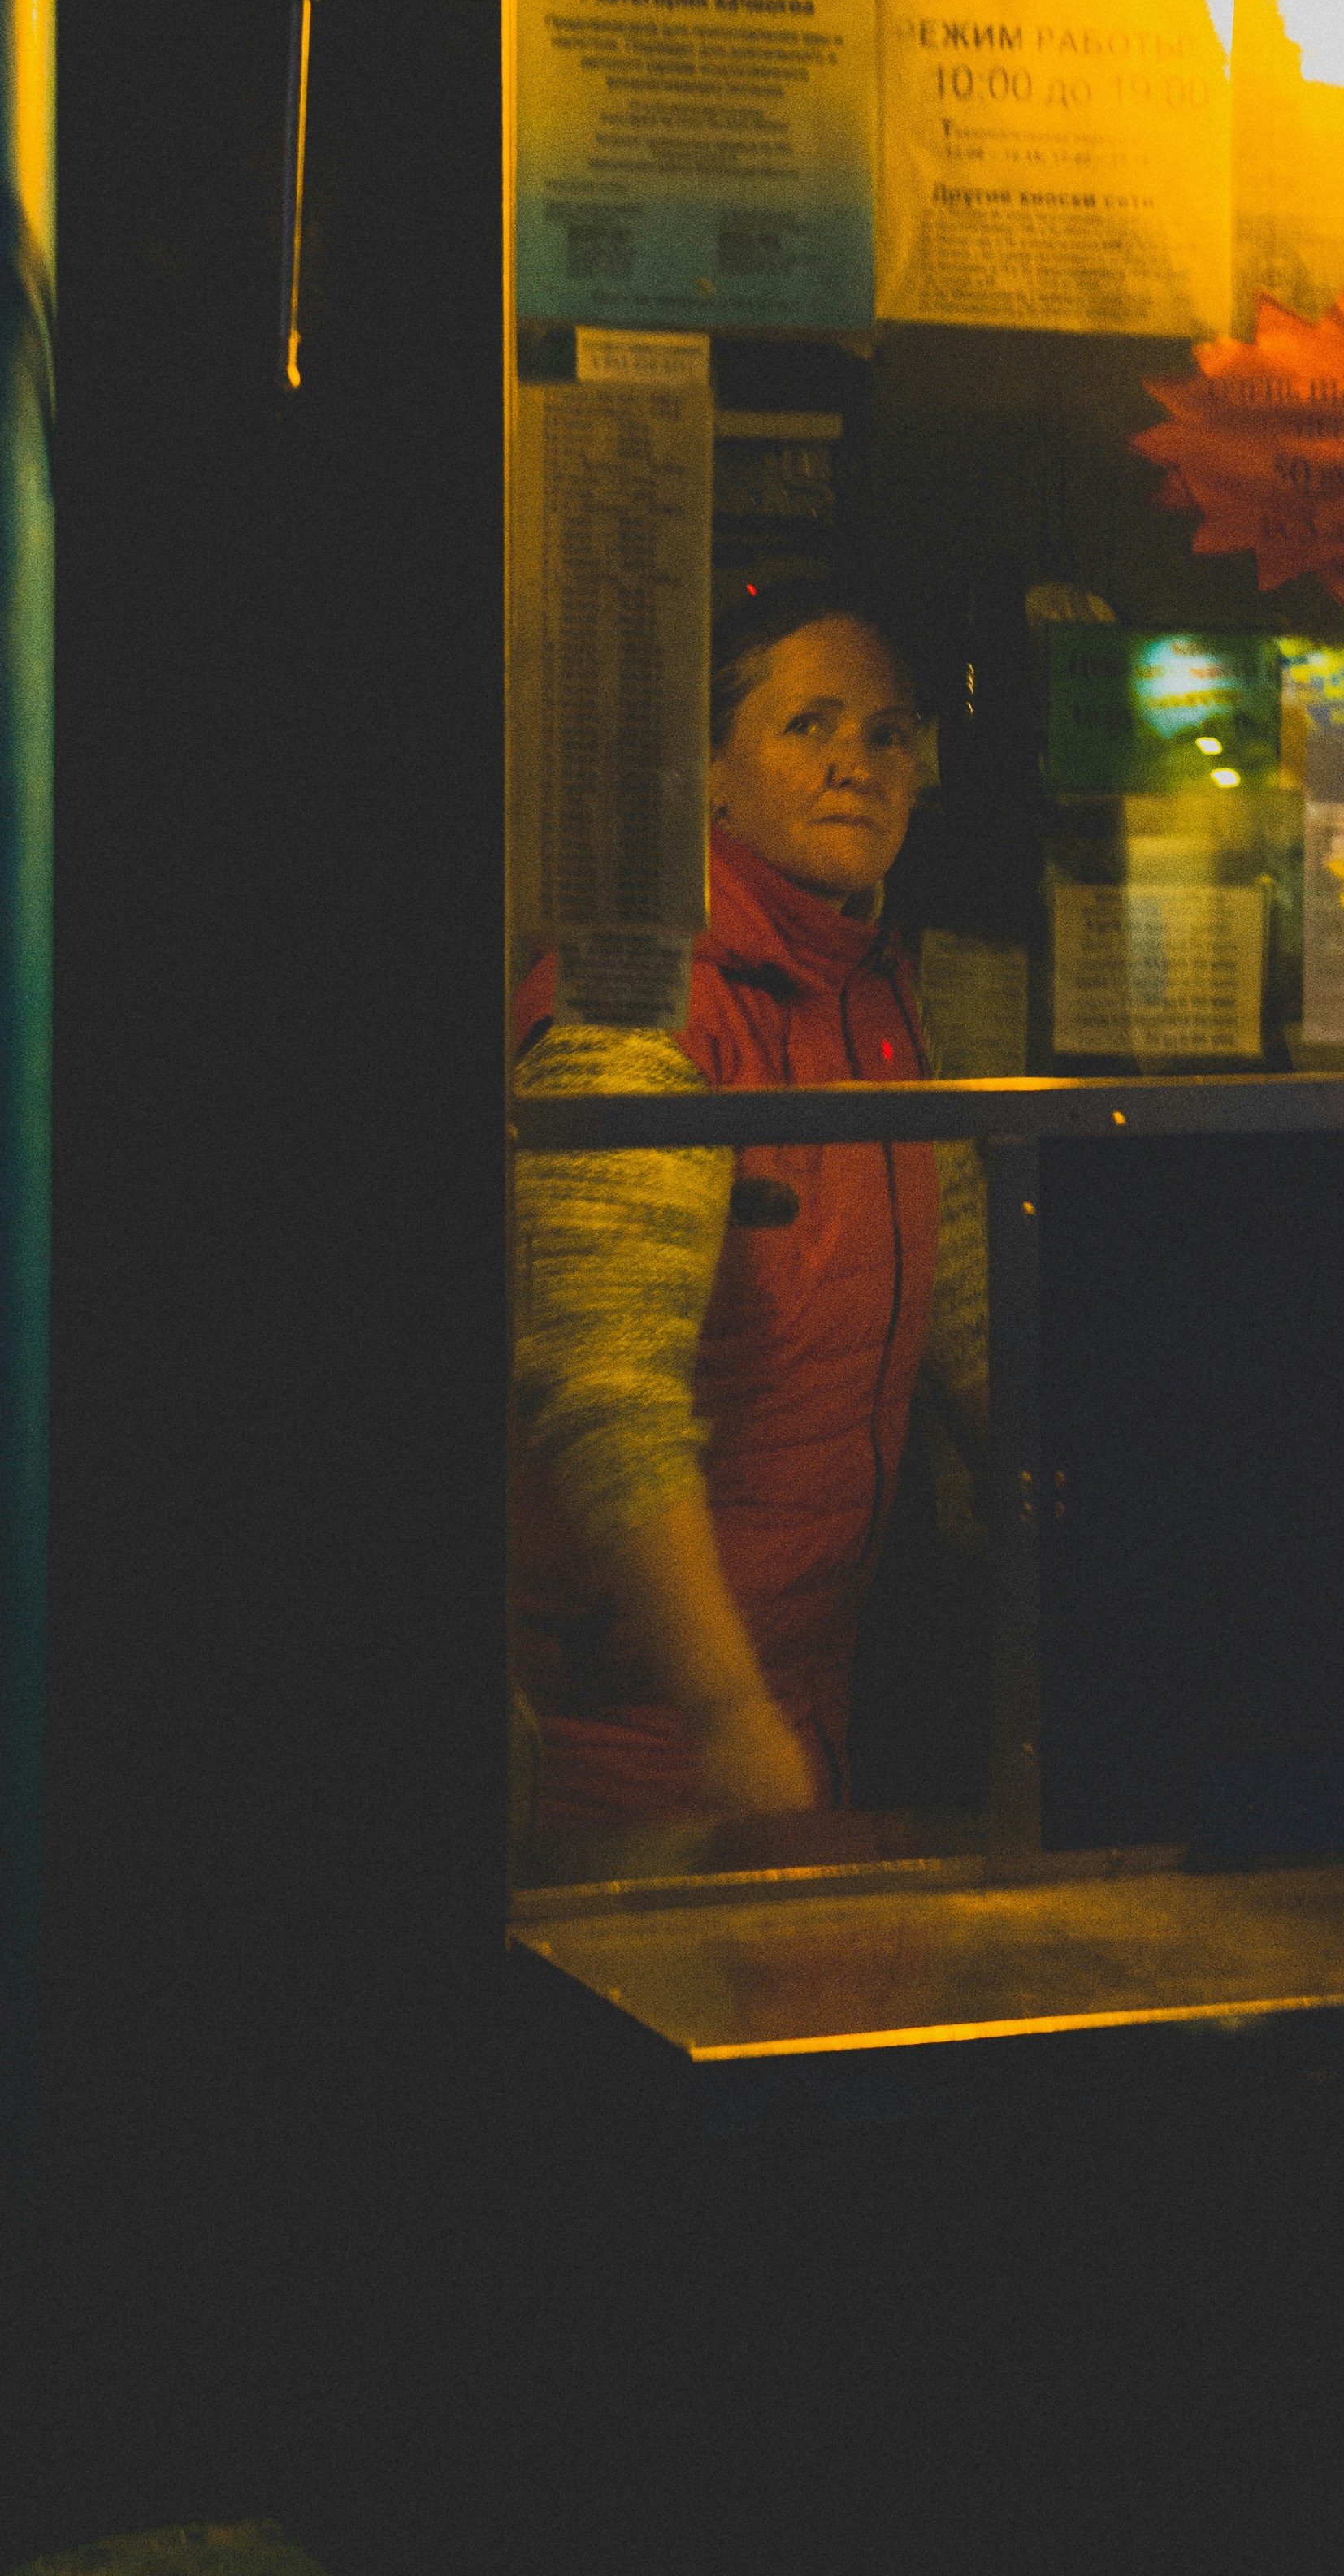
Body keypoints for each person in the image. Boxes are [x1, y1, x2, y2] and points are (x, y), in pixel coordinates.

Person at [510, 591, 988, 1835]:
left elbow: (973, 1324)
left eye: (889, 735)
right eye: (809, 726)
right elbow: (603, 1392)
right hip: (627, 1749)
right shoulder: (645, 1000)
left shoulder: (875, 1000)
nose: (856, 763)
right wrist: (724, 1716)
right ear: (712, 777)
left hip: (805, 1715)